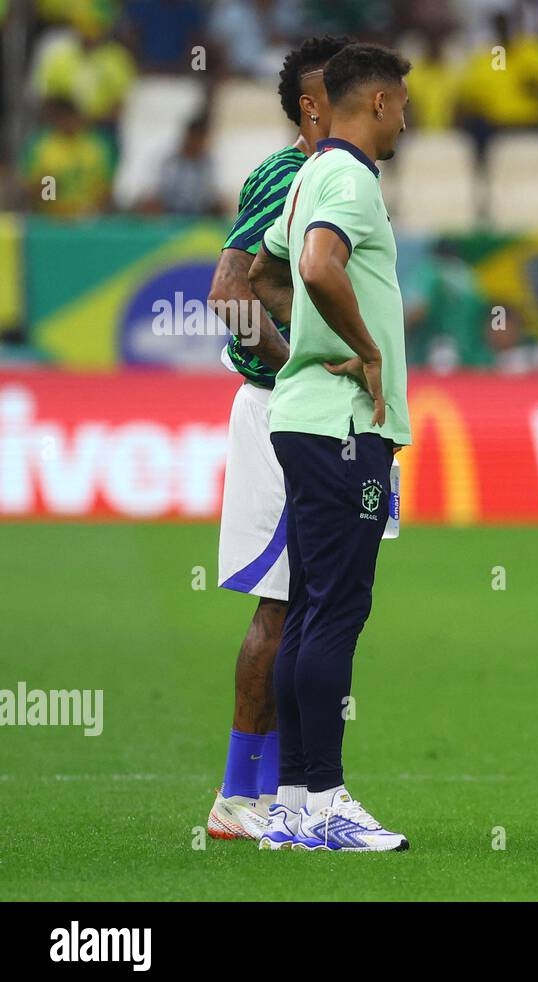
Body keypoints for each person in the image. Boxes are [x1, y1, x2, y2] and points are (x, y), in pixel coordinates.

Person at [248, 42, 413, 852]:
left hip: (304, 415)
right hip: (346, 426)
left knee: (310, 606)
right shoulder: (348, 178)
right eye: (403, 104)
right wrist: (366, 347)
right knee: (337, 609)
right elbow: (314, 265)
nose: (408, 119)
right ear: (377, 102)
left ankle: (289, 804)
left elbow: (268, 276)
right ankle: (328, 800)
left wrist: (312, 342)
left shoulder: (310, 174)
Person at [204, 34, 351, 842]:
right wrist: (300, 371)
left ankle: (282, 793)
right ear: (311, 107)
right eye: (351, 89)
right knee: (287, 606)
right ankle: (244, 794)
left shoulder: (341, 175)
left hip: (326, 416)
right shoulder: (296, 175)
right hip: (288, 415)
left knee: (312, 605)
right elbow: (228, 290)